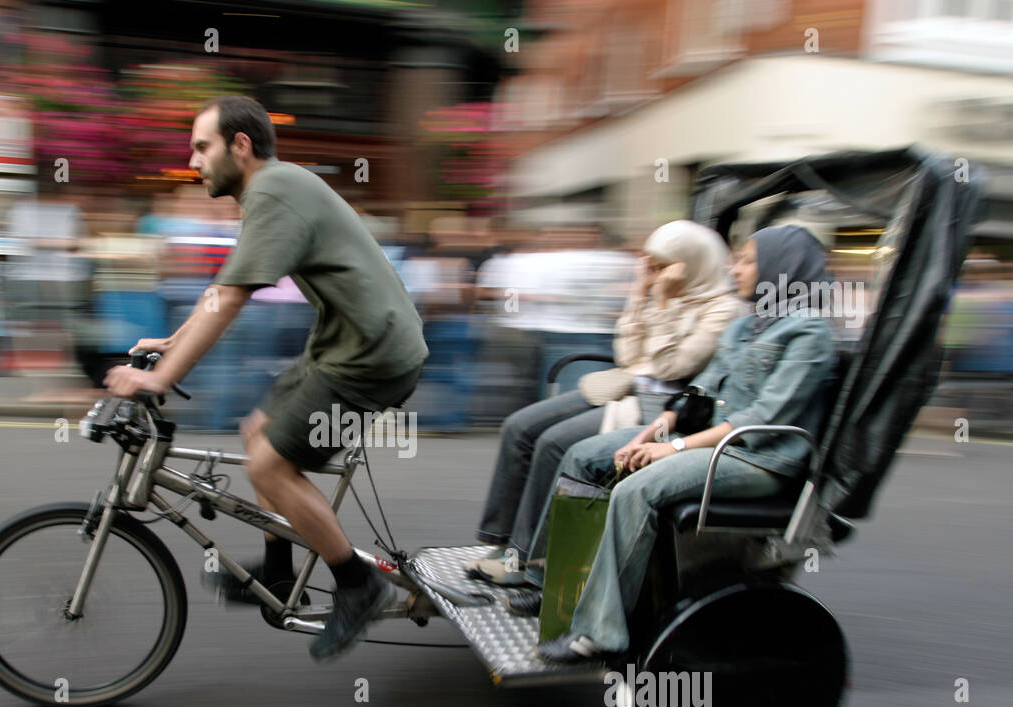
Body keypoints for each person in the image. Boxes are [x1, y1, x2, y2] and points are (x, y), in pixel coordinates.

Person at [103, 95, 428, 661]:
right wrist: (172, 343)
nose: (193, 161)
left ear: (241, 145)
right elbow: (224, 286)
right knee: (258, 431)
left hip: (374, 359)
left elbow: (230, 298)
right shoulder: (272, 190)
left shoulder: (275, 191)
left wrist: (159, 382)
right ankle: (278, 574)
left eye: (202, 147)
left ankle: (358, 584)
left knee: (270, 465)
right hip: (341, 347)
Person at [530, 225, 838, 663]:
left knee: (636, 489)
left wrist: (673, 449)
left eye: (749, 260)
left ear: (780, 270)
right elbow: (701, 391)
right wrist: (656, 429)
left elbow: (763, 419)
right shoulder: (746, 326)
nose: (737, 267)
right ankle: (551, 585)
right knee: (583, 454)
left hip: (759, 459)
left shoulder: (808, 336)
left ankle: (599, 632)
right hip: (710, 443)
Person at [468, 220, 742, 585]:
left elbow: (670, 365)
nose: (656, 275)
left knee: (553, 442)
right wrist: (639, 294)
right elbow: (627, 354)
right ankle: (500, 540)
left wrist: (660, 302)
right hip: (623, 387)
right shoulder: (664, 293)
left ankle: (527, 558)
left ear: (691, 265)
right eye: (652, 268)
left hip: (659, 406)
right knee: (519, 426)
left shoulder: (721, 310)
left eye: (662, 267)